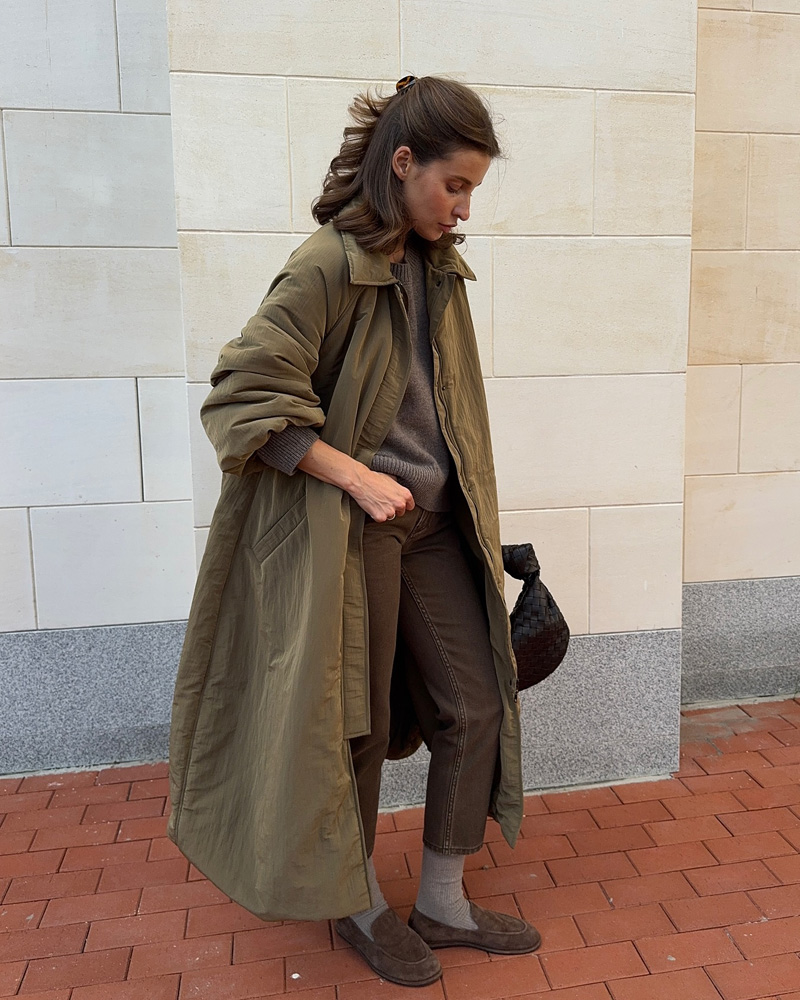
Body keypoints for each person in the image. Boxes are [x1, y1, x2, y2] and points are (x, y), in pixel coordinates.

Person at [167, 74, 539, 989]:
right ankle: (361, 903)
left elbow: (437, 407)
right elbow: (243, 396)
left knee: (476, 699)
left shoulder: (437, 264)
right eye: (454, 186)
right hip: (355, 531)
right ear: (402, 164)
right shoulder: (326, 263)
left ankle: (444, 902)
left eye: (473, 193)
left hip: (436, 526)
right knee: (354, 728)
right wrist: (354, 474)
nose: (462, 209)